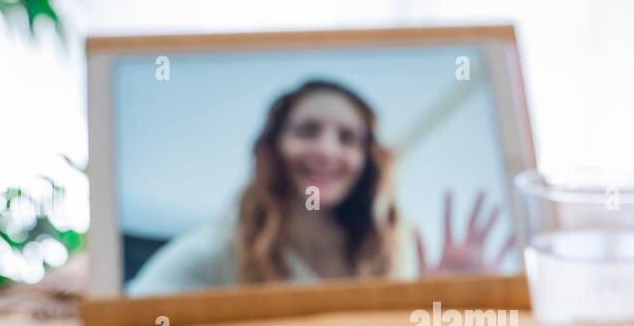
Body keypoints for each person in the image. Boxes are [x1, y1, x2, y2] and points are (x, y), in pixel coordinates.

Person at [127, 78, 513, 295]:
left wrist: (445, 304)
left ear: (367, 160)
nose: (327, 150)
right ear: (273, 148)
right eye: (307, 131)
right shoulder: (218, 250)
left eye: (347, 138)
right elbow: (127, 314)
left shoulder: (391, 248)